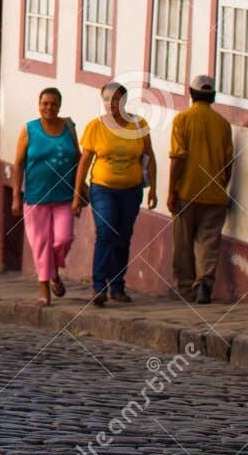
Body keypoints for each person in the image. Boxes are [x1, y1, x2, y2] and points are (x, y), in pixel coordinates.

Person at [75, 81, 156, 306]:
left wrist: (154, 190)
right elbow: (85, 161)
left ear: (125, 100)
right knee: (106, 231)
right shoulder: (96, 126)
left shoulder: (138, 125)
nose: (112, 103)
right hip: (103, 188)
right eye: (108, 99)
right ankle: (99, 286)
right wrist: (77, 193)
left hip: (131, 190)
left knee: (123, 236)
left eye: (117, 98)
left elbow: (149, 157)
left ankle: (118, 285)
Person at [167, 75, 234, 305]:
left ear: (190, 93)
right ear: (213, 96)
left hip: (187, 190)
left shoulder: (182, 120)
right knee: (209, 240)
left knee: (183, 243)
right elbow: (228, 163)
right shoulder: (223, 124)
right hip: (214, 193)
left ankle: (185, 287)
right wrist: (222, 186)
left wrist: (171, 191)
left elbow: (177, 158)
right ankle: (204, 283)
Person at [12, 87, 79, 306]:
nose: (48, 107)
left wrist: (79, 191)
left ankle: (53, 271)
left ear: (60, 106)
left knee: (63, 239)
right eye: (45, 103)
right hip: (36, 197)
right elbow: (19, 164)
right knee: (41, 244)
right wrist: (15, 196)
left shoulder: (69, 127)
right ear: (38, 104)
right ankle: (45, 290)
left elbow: (78, 159)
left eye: (53, 104)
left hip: (64, 196)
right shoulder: (29, 130)